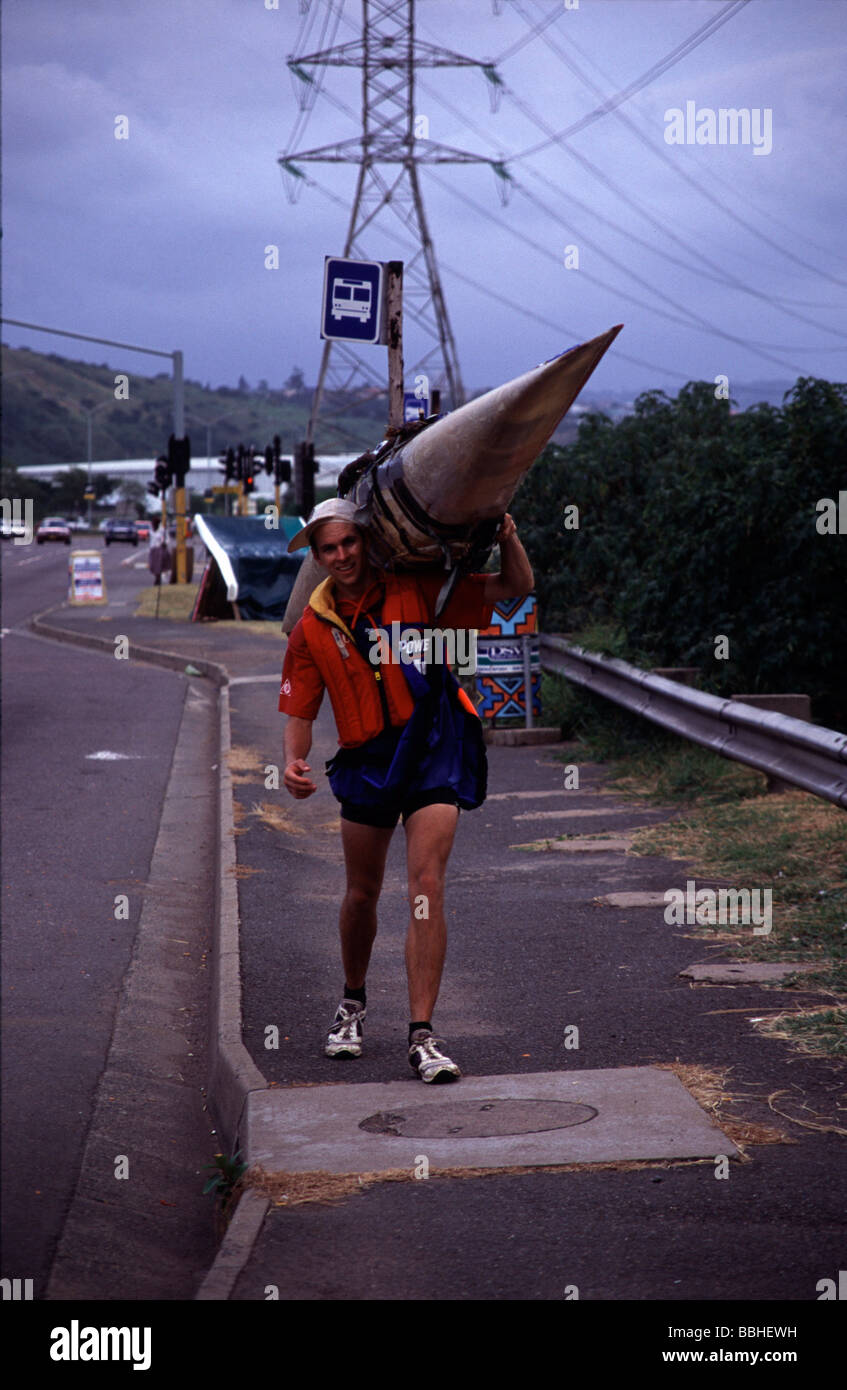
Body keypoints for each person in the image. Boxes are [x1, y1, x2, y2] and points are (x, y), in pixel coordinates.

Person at [279, 497, 534, 1082]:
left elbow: (516, 587)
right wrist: (293, 763)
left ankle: (422, 1033)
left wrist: (509, 535)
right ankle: (352, 1001)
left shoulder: (417, 591)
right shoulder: (313, 630)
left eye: (348, 542)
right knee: (361, 895)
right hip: (366, 763)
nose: (341, 555)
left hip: (433, 752)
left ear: (365, 541)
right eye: (328, 548)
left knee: (426, 885)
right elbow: (299, 706)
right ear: (316, 558)